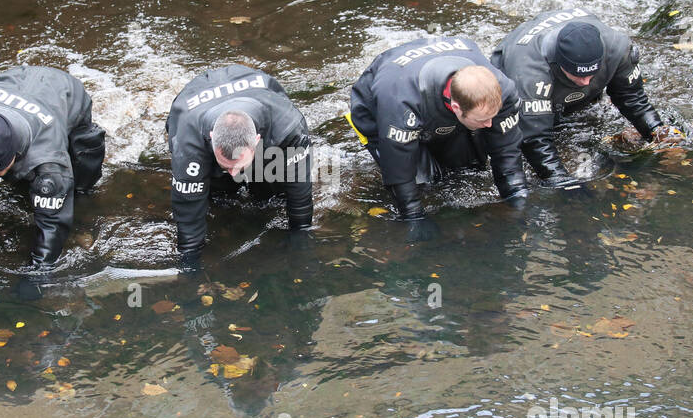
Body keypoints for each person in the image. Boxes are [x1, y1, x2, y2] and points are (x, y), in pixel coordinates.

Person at [348, 35, 527, 220]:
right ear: (456, 108)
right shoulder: (401, 102)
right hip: (382, 111)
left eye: (492, 116)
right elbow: (400, 177)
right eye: (483, 119)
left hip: (443, 105)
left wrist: (519, 201)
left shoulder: (504, 89)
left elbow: (507, 153)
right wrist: (414, 219)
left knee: (469, 171)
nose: (490, 124)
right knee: (426, 188)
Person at [0, 66, 105, 268]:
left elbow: (52, 226)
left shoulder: (49, 160)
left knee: (80, 185)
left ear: (18, 152)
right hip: (15, 79)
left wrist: (40, 270)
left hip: (63, 91)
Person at [491, 10, 670, 186]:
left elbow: (633, 98)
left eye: (591, 75)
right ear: (559, 63)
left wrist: (660, 135)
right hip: (521, 81)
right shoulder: (528, 72)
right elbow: (534, 139)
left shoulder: (617, 47)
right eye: (578, 75)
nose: (585, 82)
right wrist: (563, 182)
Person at [167, 65, 312, 269]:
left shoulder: (288, 127)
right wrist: (190, 271)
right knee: (219, 197)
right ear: (210, 140)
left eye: (238, 166)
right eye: (227, 166)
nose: (234, 173)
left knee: (273, 190)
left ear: (258, 140)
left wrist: (302, 245)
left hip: (261, 105)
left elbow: (300, 198)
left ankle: (247, 164)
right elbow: (188, 220)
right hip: (195, 100)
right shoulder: (188, 142)